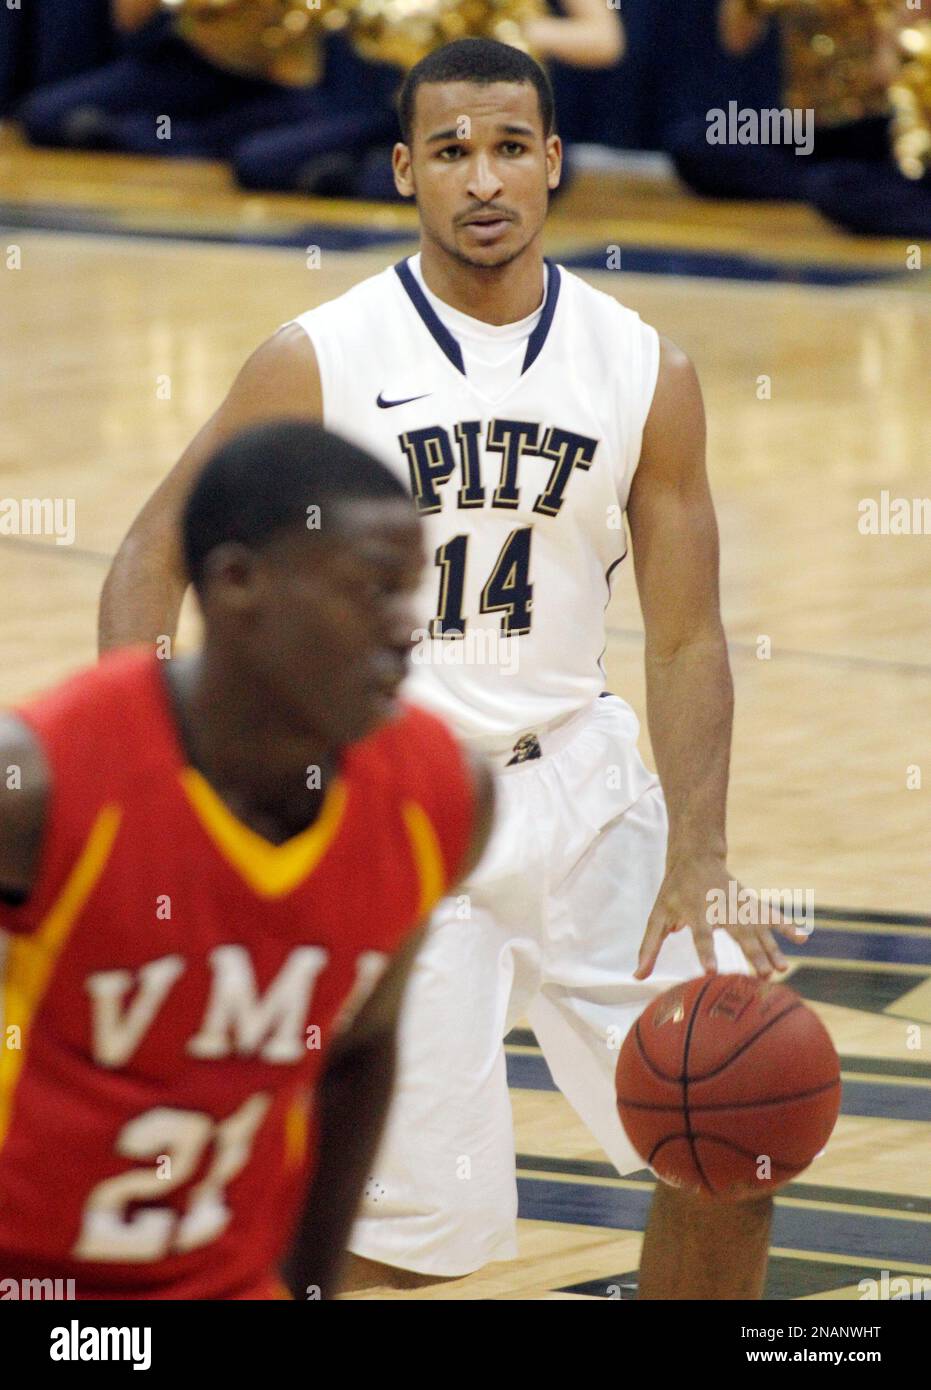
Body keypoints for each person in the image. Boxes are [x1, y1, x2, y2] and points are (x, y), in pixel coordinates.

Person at [100, 39, 805, 1299]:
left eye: (509, 148)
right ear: (403, 170)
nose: (483, 179)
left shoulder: (645, 369)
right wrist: (159, 786)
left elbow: (687, 635)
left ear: (553, 160)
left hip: (585, 792)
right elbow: (153, 555)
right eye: (450, 151)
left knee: (736, 1138)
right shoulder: (319, 356)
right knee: (397, 1239)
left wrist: (701, 849)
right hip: (399, 807)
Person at [0, 419, 493, 1300]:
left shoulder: (441, 795)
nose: (406, 631)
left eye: (409, 593)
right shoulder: (37, 787)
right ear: (236, 584)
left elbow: (359, 1051)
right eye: (372, 589)